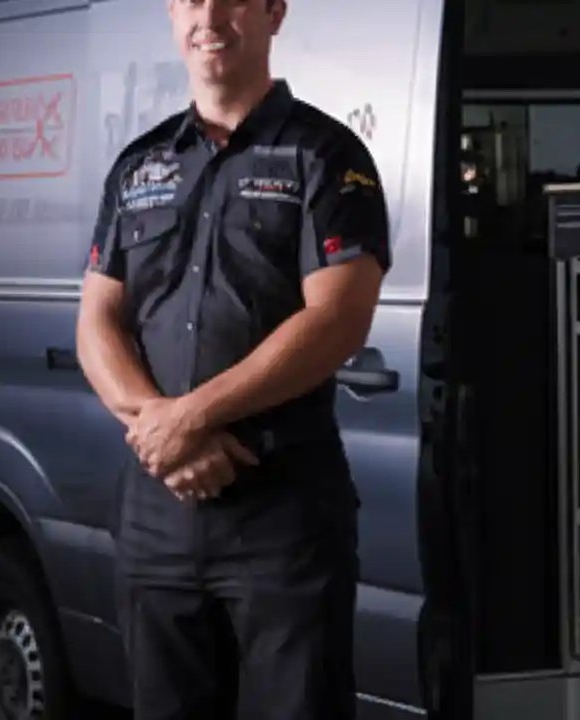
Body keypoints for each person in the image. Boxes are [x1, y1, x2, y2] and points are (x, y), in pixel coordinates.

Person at [74, 0, 390, 717]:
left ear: (275, 12)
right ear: (171, 14)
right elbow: (97, 320)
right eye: (190, 0)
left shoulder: (328, 156)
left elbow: (338, 318)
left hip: (282, 519)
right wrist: (163, 432)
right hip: (157, 517)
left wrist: (190, 418)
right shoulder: (139, 165)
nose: (209, 16)